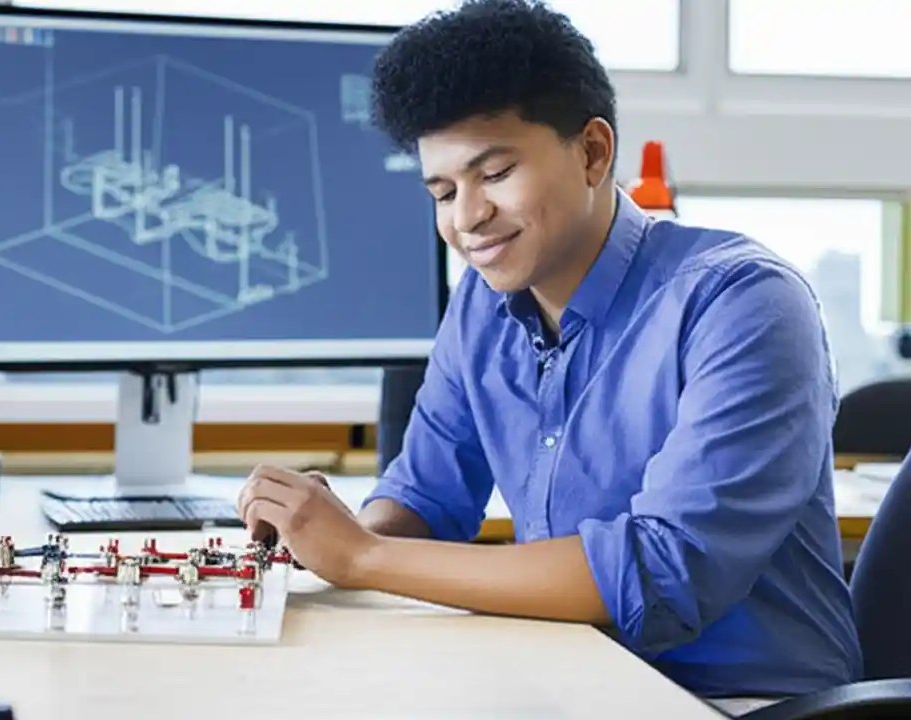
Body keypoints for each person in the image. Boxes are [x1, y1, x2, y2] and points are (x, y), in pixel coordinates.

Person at [236, 0, 861, 704]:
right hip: (567, 677)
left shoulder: (742, 302)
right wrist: (331, 534)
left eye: (495, 174)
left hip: (741, 702)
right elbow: (427, 498)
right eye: (443, 191)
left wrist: (363, 555)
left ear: (593, 152)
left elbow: (662, 574)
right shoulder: (481, 304)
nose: (467, 218)